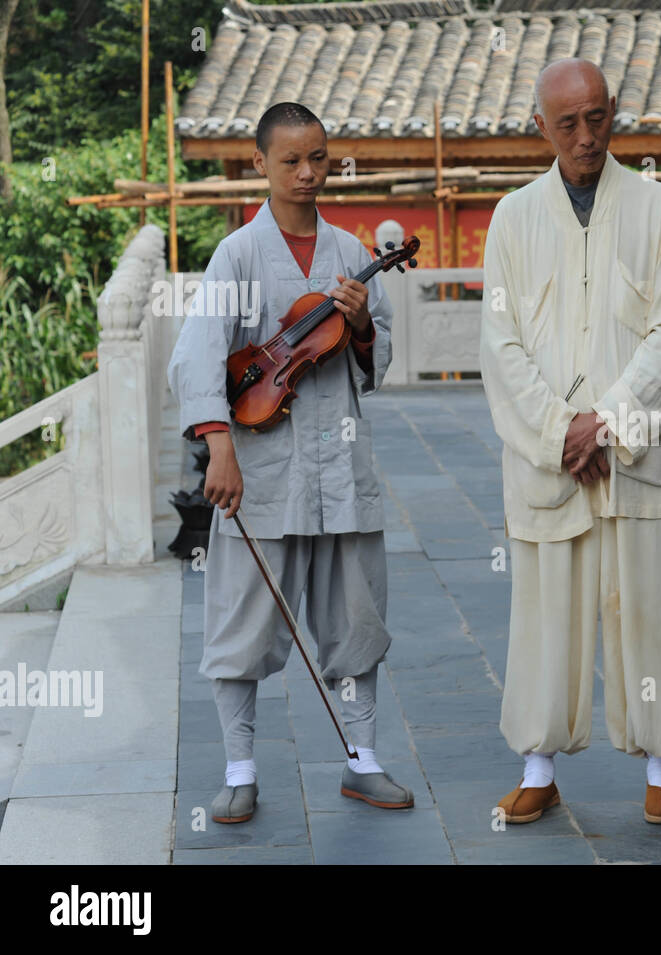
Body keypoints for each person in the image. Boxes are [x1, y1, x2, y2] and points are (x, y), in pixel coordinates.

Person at [167, 102, 413, 824]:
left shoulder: (348, 249)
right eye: (291, 162)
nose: (308, 175)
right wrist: (218, 446)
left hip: (341, 465)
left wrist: (364, 322)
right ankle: (240, 771)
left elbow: (379, 359)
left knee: (357, 619)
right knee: (242, 623)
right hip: (263, 467)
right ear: (261, 165)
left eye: (319, 160)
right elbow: (199, 354)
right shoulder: (238, 254)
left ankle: (362, 760)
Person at [479, 59, 661, 826]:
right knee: (544, 611)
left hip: (631, 451)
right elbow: (501, 341)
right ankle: (538, 765)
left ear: (614, 114)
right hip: (551, 457)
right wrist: (557, 430)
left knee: (647, 609)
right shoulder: (512, 216)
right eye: (566, 122)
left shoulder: (656, 207)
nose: (585, 135)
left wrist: (605, 419)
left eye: (597, 117)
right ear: (541, 126)